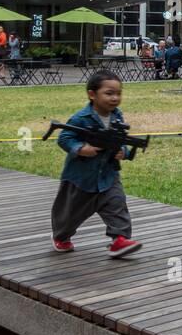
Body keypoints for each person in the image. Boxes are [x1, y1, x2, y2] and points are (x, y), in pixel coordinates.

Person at [50, 71, 142, 258]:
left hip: (108, 174)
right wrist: (80, 148)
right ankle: (61, 236)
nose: (115, 98)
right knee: (69, 213)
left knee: (117, 204)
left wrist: (122, 151)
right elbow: (65, 138)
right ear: (92, 94)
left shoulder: (117, 116)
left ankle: (119, 240)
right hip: (80, 177)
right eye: (109, 93)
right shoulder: (81, 118)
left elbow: (120, 139)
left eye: (118, 93)